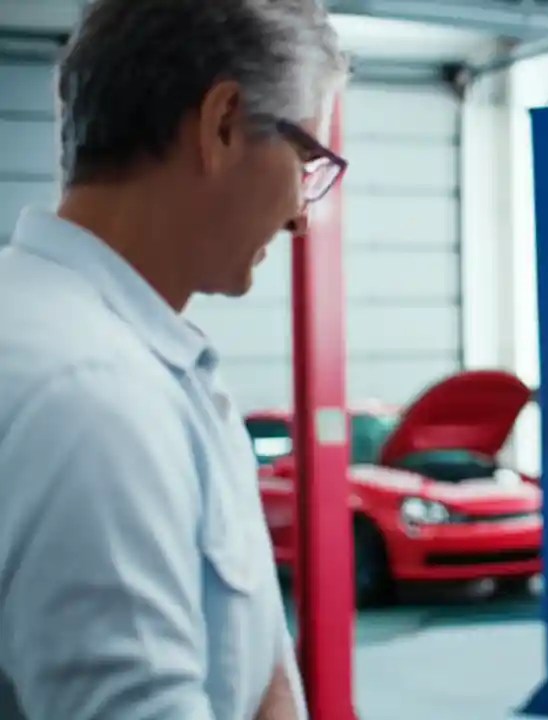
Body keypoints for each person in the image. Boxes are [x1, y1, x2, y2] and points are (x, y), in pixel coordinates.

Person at [0, 1, 347, 718]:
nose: (301, 214)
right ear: (223, 124)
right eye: (307, 160)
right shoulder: (91, 395)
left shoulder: (125, 356)